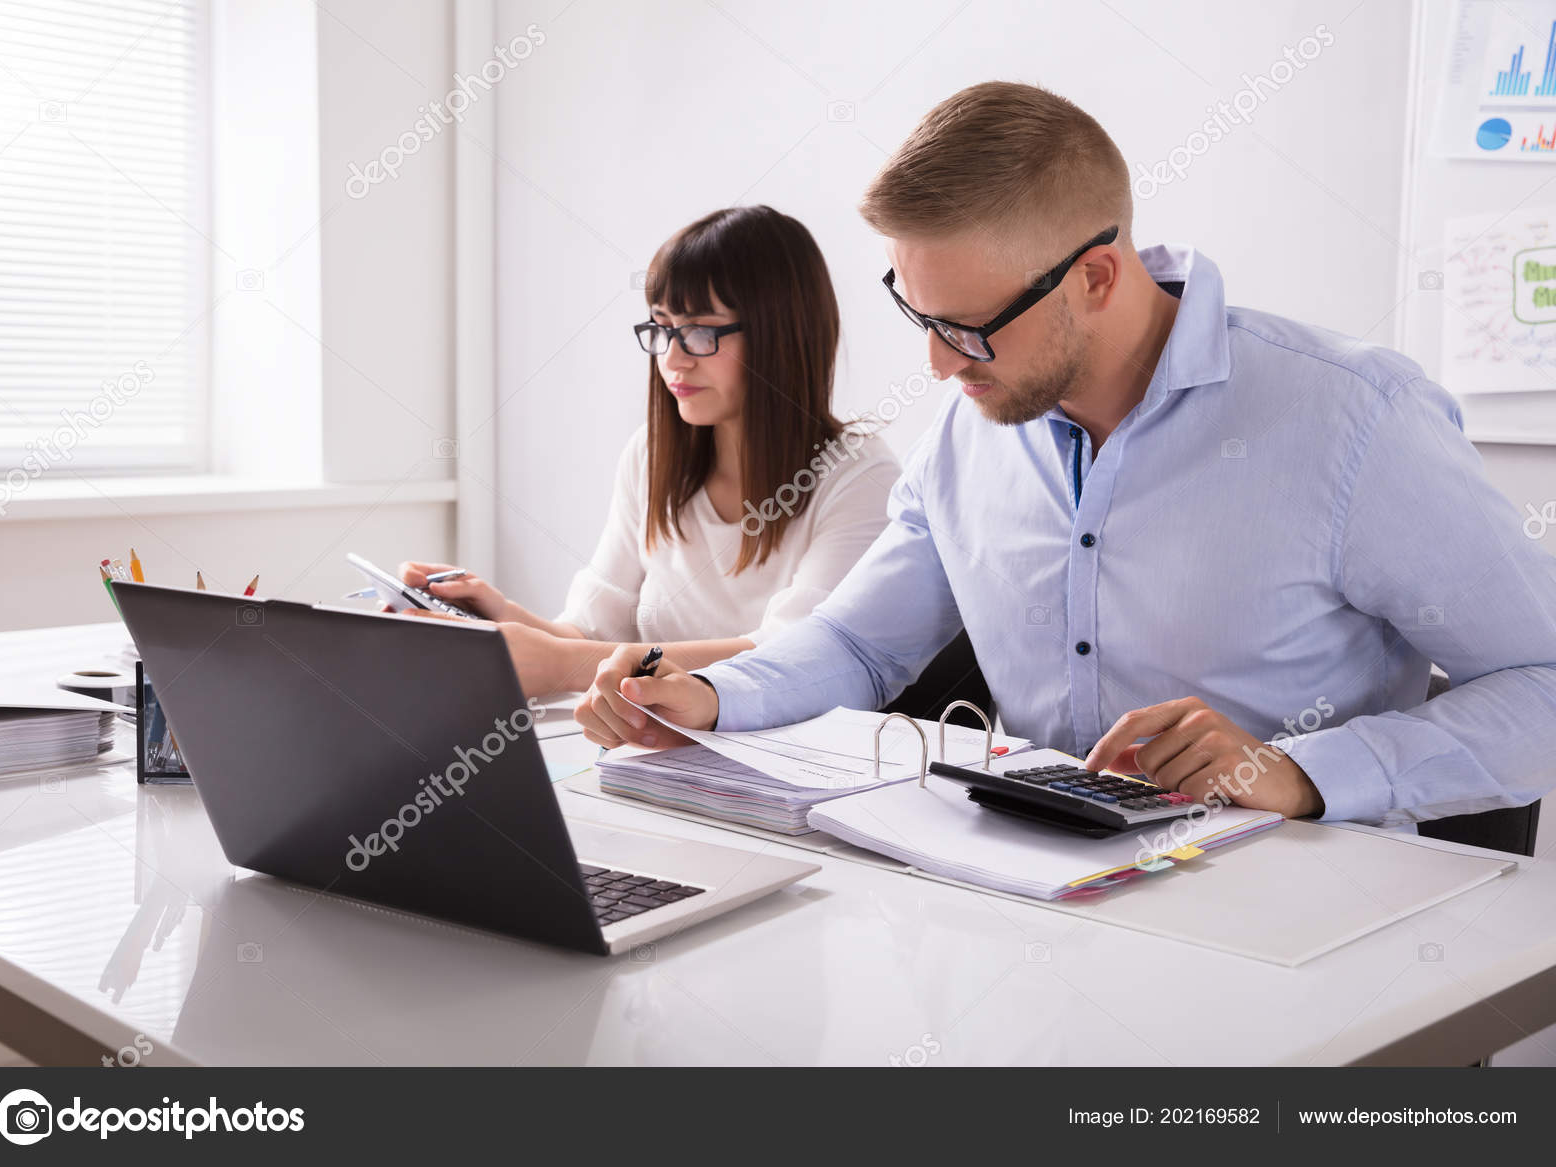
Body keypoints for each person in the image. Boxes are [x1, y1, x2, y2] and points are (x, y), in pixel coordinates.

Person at [576, 82, 1556, 827]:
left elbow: (1540, 679)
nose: (932, 360)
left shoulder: (1353, 423)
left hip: (1298, 922)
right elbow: (859, 643)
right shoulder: (973, 429)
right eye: (917, 314)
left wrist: (1300, 772)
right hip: (1046, 899)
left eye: (965, 325)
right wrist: (708, 697)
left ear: (1095, 276)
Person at [398, 205, 900, 696]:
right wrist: (500, 616)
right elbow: (593, 635)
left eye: (701, 332)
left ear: (781, 336)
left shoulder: (858, 476)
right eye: (662, 329)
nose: (673, 359)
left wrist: (565, 665)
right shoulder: (651, 457)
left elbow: (794, 656)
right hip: (659, 753)